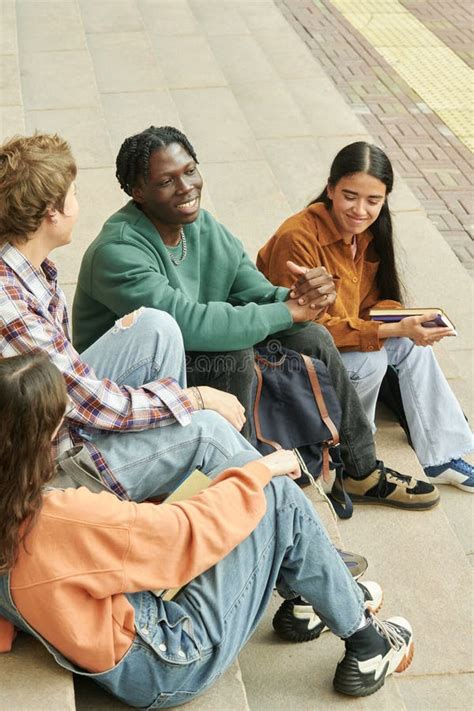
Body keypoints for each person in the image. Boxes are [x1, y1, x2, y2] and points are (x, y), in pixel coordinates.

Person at [0, 353, 414, 705]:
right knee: (276, 495)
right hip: (168, 661)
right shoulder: (57, 515)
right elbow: (179, 537)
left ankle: (317, 597)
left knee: (238, 492)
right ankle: (367, 642)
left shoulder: (16, 506)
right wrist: (258, 470)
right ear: (50, 432)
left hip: (118, 641)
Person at [72, 125, 440, 512]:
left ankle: (360, 468)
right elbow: (186, 321)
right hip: (132, 386)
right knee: (235, 354)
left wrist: (300, 298)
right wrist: (284, 310)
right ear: (138, 192)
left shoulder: (202, 226)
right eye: (166, 181)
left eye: (190, 170)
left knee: (311, 335)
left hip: (189, 355)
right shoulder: (119, 251)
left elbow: (256, 290)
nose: (186, 187)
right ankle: (250, 497)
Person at [0, 132, 262, 505]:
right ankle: (270, 514)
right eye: (73, 194)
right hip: (43, 473)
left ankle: (172, 492)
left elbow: (71, 390)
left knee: (156, 327)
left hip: (57, 422)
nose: (79, 204)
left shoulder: (31, 268)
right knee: (207, 431)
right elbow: (89, 403)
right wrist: (194, 399)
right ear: (51, 213)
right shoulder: (9, 306)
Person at [257, 141, 474, 494]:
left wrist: (409, 321)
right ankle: (353, 455)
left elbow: (364, 308)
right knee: (371, 360)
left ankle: (442, 456)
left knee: (411, 346)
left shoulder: (366, 234)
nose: (360, 210)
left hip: (337, 343)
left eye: (373, 201)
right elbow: (309, 327)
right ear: (330, 189)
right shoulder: (297, 237)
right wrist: (390, 328)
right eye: (350, 196)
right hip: (295, 356)